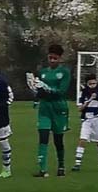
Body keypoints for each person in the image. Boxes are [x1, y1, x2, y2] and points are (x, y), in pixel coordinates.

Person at [32, 44, 72, 177]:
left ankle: (61, 166)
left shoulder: (64, 72)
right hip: (45, 109)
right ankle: (42, 170)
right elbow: (39, 92)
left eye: (55, 58)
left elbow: (61, 91)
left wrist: (48, 89)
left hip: (58, 108)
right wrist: (36, 91)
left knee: (58, 139)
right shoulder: (43, 72)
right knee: (43, 136)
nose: (52, 60)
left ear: (60, 58)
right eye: (50, 58)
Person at [73, 74, 98, 172]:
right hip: (86, 120)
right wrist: (88, 100)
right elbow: (79, 109)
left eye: (94, 83)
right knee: (82, 140)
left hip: (97, 119)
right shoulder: (82, 93)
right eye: (90, 84)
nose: (93, 85)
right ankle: (77, 164)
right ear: (86, 84)